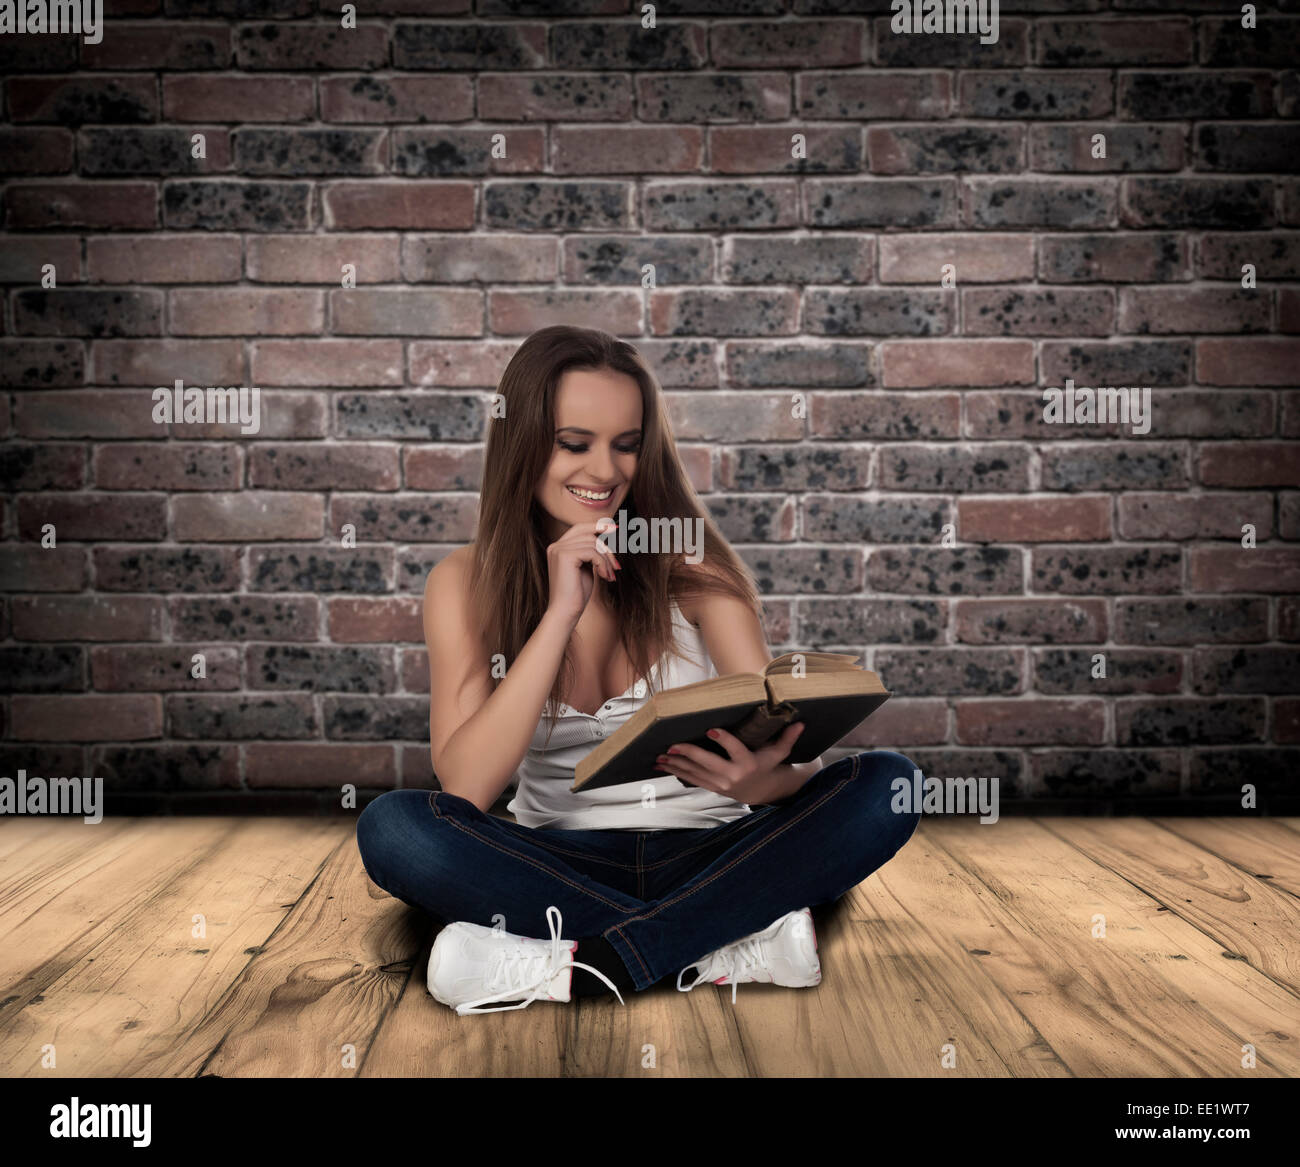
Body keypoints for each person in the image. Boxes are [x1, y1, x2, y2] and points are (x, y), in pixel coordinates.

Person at [356, 325, 922, 1016]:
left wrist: (765, 779)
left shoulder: (695, 566)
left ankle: (590, 962)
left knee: (888, 782)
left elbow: (788, 745)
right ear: (524, 442)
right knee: (394, 827)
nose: (606, 471)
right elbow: (466, 786)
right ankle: (722, 938)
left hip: (719, 848)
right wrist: (559, 612)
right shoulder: (464, 581)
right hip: (556, 859)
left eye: (626, 444)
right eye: (575, 443)